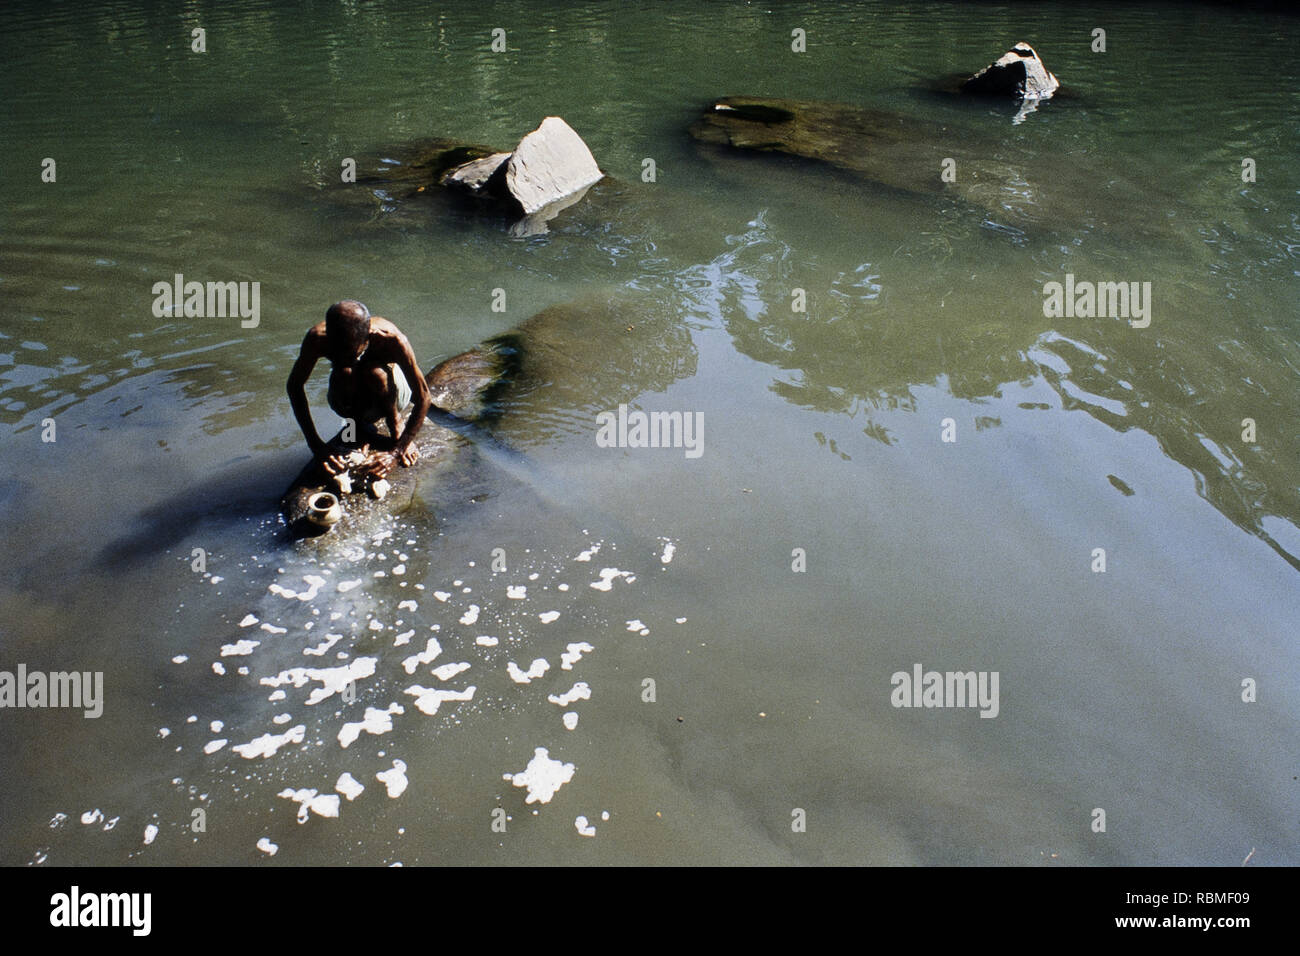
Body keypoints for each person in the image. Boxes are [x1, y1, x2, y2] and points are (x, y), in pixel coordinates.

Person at [286, 300, 432, 480]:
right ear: (329, 336)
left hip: (392, 393)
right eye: (338, 352)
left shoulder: (391, 340)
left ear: (367, 337)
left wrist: (398, 450)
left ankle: (394, 421)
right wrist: (316, 446)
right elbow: (294, 386)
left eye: (351, 352)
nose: (344, 357)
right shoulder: (317, 338)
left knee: (374, 372)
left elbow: (424, 397)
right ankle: (356, 425)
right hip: (346, 398)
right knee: (344, 371)